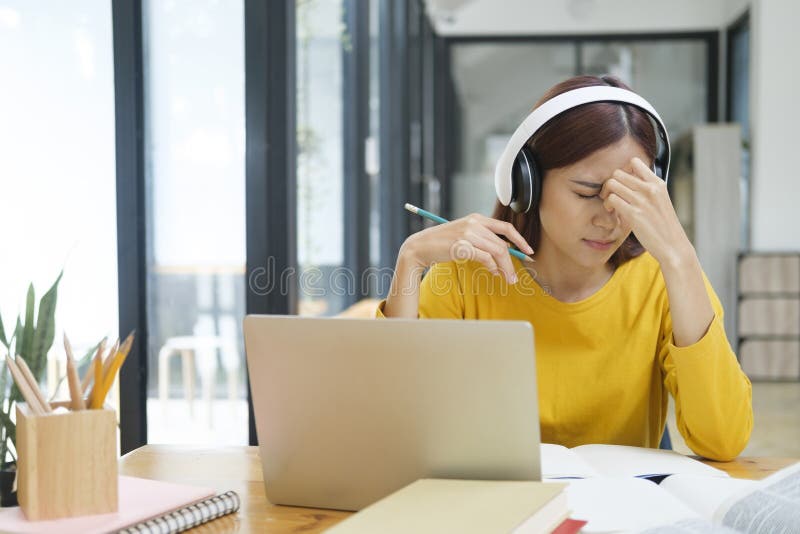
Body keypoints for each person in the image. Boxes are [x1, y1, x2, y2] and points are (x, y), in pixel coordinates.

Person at [378, 74, 752, 462]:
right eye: (587, 192)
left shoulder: (663, 280)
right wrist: (410, 260)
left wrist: (680, 257)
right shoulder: (465, 273)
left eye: (630, 196)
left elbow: (722, 439)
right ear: (528, 183)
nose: (609, 219)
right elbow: (398, 427)